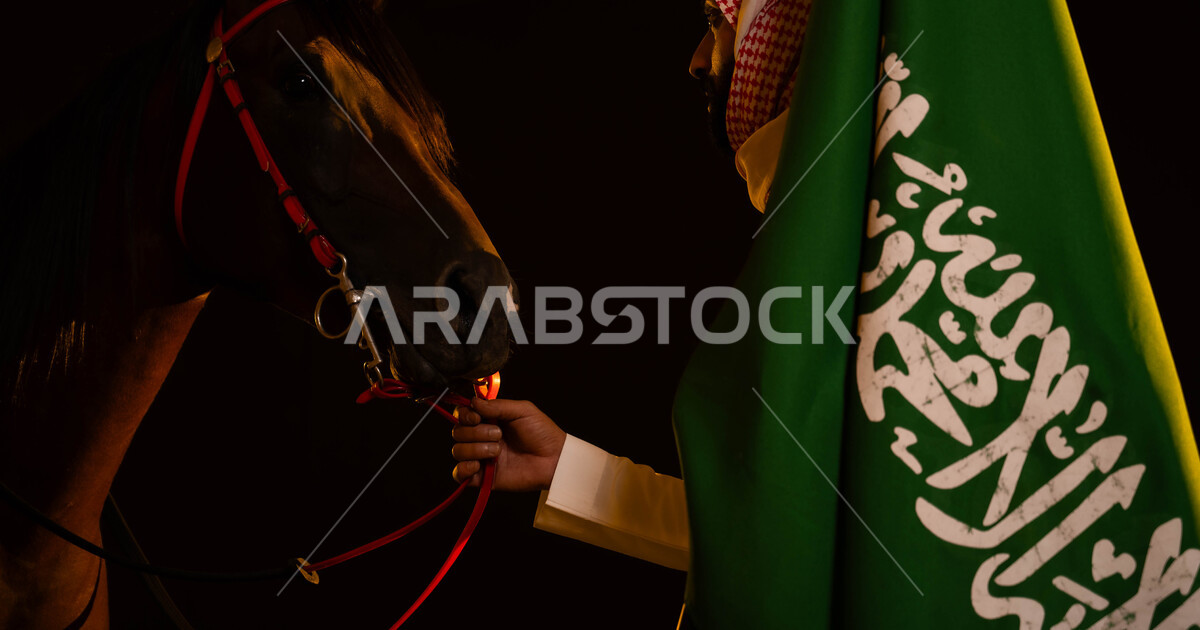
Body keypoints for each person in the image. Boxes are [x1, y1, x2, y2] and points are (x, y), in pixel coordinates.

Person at [449, 0, 812, 573]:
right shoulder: (806, 230)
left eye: (716, 27)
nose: (696, 62)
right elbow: (783, 536)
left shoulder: (876, 239)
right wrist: (565, 469)